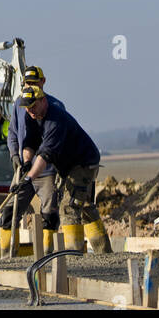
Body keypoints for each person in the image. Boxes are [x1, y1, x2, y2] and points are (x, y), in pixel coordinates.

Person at [20, 87, 112, 255]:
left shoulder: (55, 120)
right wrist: (26, 163)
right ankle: (104, 253)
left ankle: (73, 257)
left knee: (69, 207)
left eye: (33, 106)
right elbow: (30, 141)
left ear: (43, 101)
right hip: (69, 165)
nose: (30, 111)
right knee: (84, 206)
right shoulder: (31, 116)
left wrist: (29, 178)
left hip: (83, 163)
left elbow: (44, 155)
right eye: (27, 107)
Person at [0, 70, 60, 254]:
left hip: (46, 172)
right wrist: (14, 155)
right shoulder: (19, 103)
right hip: (23, 170)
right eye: (27, 83)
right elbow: (12, 132)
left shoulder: (54, 106)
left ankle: (48, 256)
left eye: (34, 82)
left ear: (43, 81)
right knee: (9, 213)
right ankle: (7, 257)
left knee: (49, 214)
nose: (30, 86)